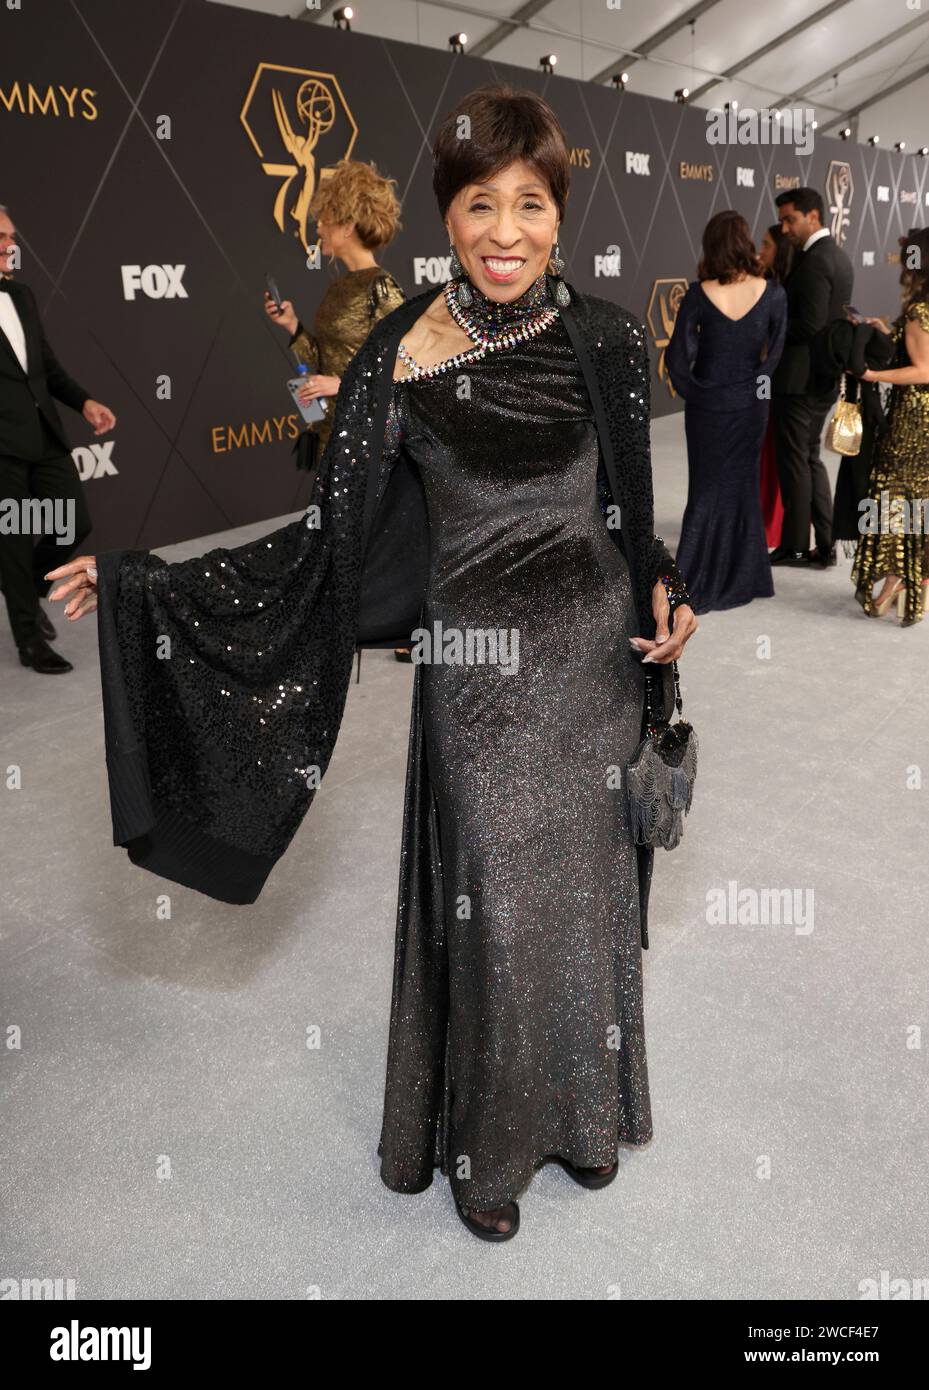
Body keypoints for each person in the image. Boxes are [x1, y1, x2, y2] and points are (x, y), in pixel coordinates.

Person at [45, 85, 698, 1243]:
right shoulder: (397, 356)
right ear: (446, 215)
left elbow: (625, 510)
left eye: (532, 205)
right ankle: (487, 1148)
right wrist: (144, 580)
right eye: (481, 204)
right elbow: (325, 539)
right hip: (477, 674)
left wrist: (665, 589)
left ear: (560, 216)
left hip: (591, 659)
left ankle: (579, 1120)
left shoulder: (601, 336)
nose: (506, 231)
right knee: (494, 896)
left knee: (583, 897)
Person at [0, 204, 115, 674]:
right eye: (0, 237)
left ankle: (23, 588)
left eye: (10, 235)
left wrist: (84, 402)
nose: (10, 244)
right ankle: (30, 642)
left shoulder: (23, 295)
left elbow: (45, 368)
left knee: (74, 521)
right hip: (1, 448)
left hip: (44, 433)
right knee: (11, 541)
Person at [665, 211, 786, 612]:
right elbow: (776, 353)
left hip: (707, 409)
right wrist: (755, 389)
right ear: (745, 242)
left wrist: (696, 393)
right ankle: (744, 576)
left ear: (711, 246)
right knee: (741, 487)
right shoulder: (771, 293)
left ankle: (693, 581)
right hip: (751, 407)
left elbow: (677, 360)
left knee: (705, 489)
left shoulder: (699, 294)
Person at [264, 159, 405, 477]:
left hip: (365, 437)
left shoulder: (380, 288)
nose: (318, 228)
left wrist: (341, 385)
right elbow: (323, 359)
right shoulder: (338, 286)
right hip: (330, 431)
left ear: (347, 226)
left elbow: (406, 369)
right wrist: (291, 325)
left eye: (324, 219)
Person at [770, 186, 854, 567]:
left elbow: (811, 324)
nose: (784, 227)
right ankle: (824, 544)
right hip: (820, 378)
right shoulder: (837, 256)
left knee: (796, 463)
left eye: (791, 219)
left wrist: (769, 328)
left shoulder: (817, 260)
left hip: (799, 381)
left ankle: (797, 546)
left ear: (813, 217)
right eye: (783, 219)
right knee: (810, 460)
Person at [851, 228, 929, 626]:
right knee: (916, 496)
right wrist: (887, 330)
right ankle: (917, 577)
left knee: (896, 496)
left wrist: (873, 375)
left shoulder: (919, 311)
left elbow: (923, 369)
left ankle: (897, 580)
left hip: (913, 419)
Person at [757, 223, 794, 547]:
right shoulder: (764, 284)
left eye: (766, 245)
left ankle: (774, 522)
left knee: (775, 452)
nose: (760, 250)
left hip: (776, 380)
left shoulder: (783, 290)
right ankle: (765, 519)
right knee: (765, 451)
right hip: (764, 381)